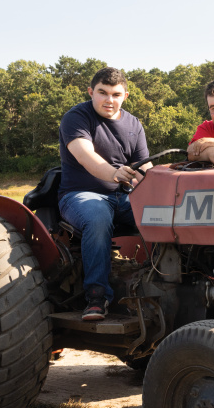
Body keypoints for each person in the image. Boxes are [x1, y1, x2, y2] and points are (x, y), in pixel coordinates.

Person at [58, 67, 149, 321]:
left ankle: (158, 287)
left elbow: (144, 165)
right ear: (91, 92)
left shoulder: (133, 124)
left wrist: (155, 189)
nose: (109, 100)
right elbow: (86, 156)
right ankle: (97, 297)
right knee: (98, 217)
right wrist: (114, 174)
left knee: (160, 214)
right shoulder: (76, 117)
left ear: (125, 96)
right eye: (102, 93)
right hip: (80, 195)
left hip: (123, 197)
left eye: (116, 94)